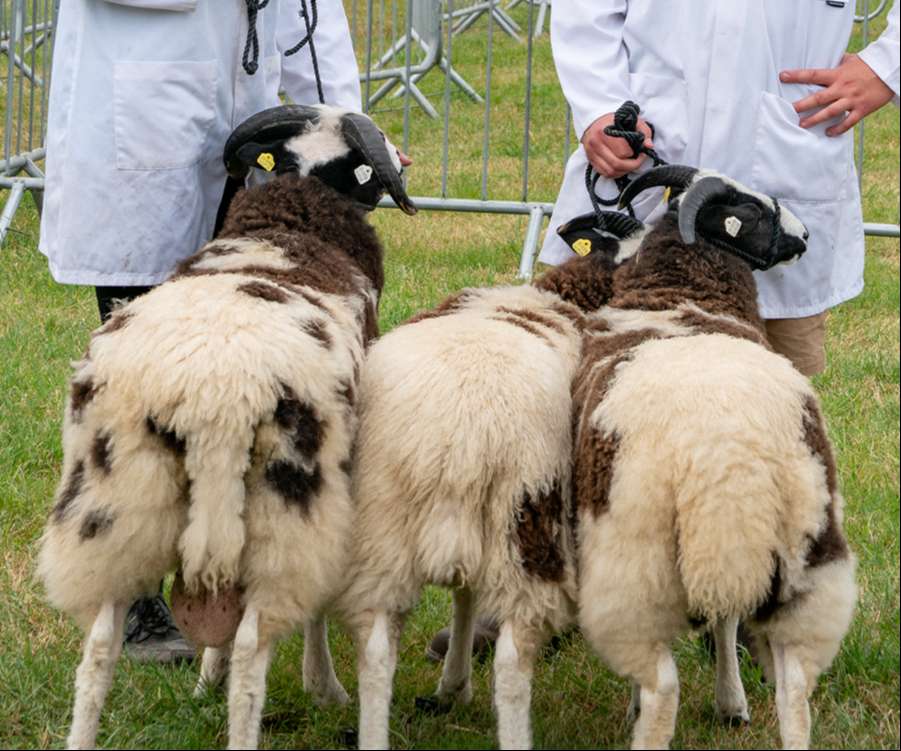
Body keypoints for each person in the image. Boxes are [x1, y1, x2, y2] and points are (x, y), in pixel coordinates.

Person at [428, 0, 899, 663]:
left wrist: (885, 66)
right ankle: (540, 583)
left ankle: (750, 600)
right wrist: (597, 108)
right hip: (642, 161)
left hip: (777, 165)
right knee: (569, 389)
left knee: (762, 409)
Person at [39, 0, 362, 662]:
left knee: (234, 372)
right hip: (142, 103)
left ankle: (225, 569)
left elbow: (309, 10)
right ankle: (126, 589)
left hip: (239, 108)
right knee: (142, 384)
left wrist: (342, 123)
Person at [540, 0, 899, 377]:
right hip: (645, 145)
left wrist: (885, 68)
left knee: (770, 402)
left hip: (782, 155)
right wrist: (599, 106)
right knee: (592, 380)